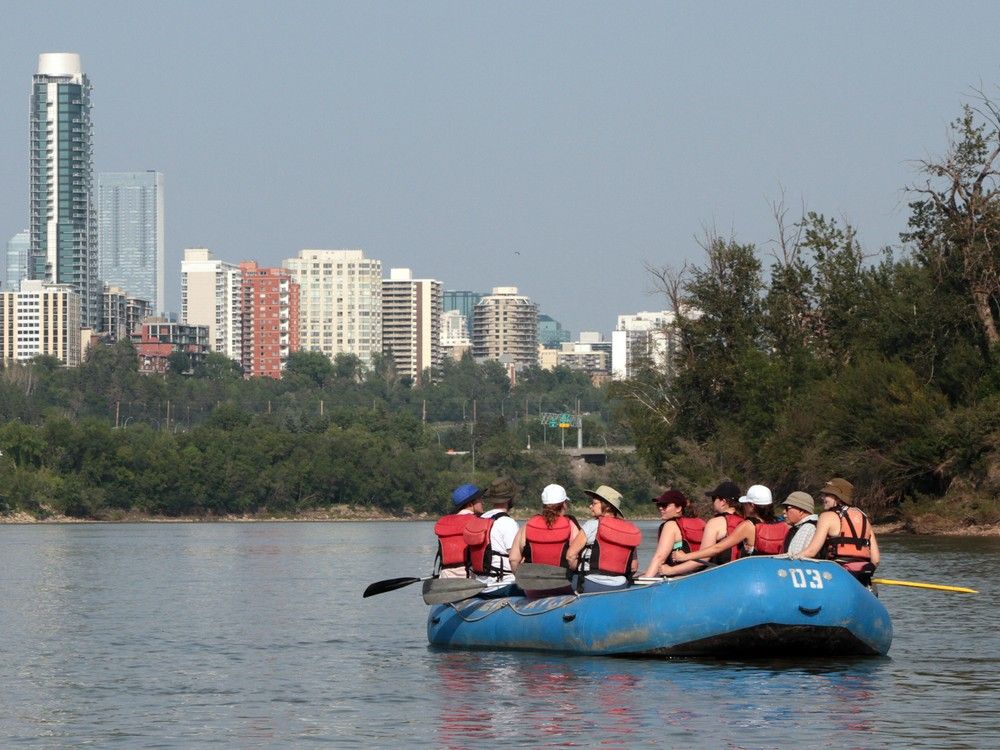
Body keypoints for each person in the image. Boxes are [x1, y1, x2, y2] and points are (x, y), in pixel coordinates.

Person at [794, 478, 880, 585]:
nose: (822, 497)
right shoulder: (864, 519)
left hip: (837, 575)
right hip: (862, 577)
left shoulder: (827, 517)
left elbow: (811, 552)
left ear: (838, 498)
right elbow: (875, 560)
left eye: (826, 495)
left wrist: (790, 560)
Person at [509, 484, 586, 596]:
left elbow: (513, 559)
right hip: (562, 587)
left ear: (544, 505)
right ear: (564, 504)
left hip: (532, 589)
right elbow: (572, 558)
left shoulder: (527, 526)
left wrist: (524, 580)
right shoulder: (570, 525)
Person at [673, 484, 782, 564]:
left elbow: (717, 548)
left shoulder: (748, 526)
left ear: (752, 506)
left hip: (751, 576)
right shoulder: (780, 524)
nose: (743, 506)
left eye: (745, 504)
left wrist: (685, 556)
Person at [566, 485, 642, 592]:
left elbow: (570, 556)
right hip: (620, 585)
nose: (590, 506)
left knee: (571, 577)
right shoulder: (629, 529)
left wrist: (576, 568)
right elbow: (634, 567)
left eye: (594, 503)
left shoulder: (592, 525)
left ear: (607, 507)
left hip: (589, 584)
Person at [464, 477, 521, 597]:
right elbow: (515, 559)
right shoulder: (507, 522)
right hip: (503, 586)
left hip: (480, 587)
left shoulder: (480, 519)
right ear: (510, 498)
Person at [640, 490, 709, 578]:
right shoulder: (702, 523)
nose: (661, 508)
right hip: (700, 574)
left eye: (665, 505)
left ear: (678, 508)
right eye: (659, 505)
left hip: (677, 577)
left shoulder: (671, 525)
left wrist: (646, 580)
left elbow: (659, 558)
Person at [433, 483, 483, 579]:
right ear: (470, 504)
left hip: (445, 576)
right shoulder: (479, 522)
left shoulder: (444, 523)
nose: (482, 502)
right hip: (470, 577)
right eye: (479, 499)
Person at [701, 480, 746, 565]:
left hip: (720, 573)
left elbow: (702, 560)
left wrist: (670, 570)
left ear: (723, 502)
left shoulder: (714, 523)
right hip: (741, 570)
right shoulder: (746, 521)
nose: (713, 502)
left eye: (714, 498)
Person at [780, 491, 819, 556]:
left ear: (801, 511)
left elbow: (794, 558)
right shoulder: (809, 526)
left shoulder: (806, 528)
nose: (784, 511)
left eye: (787, 508)